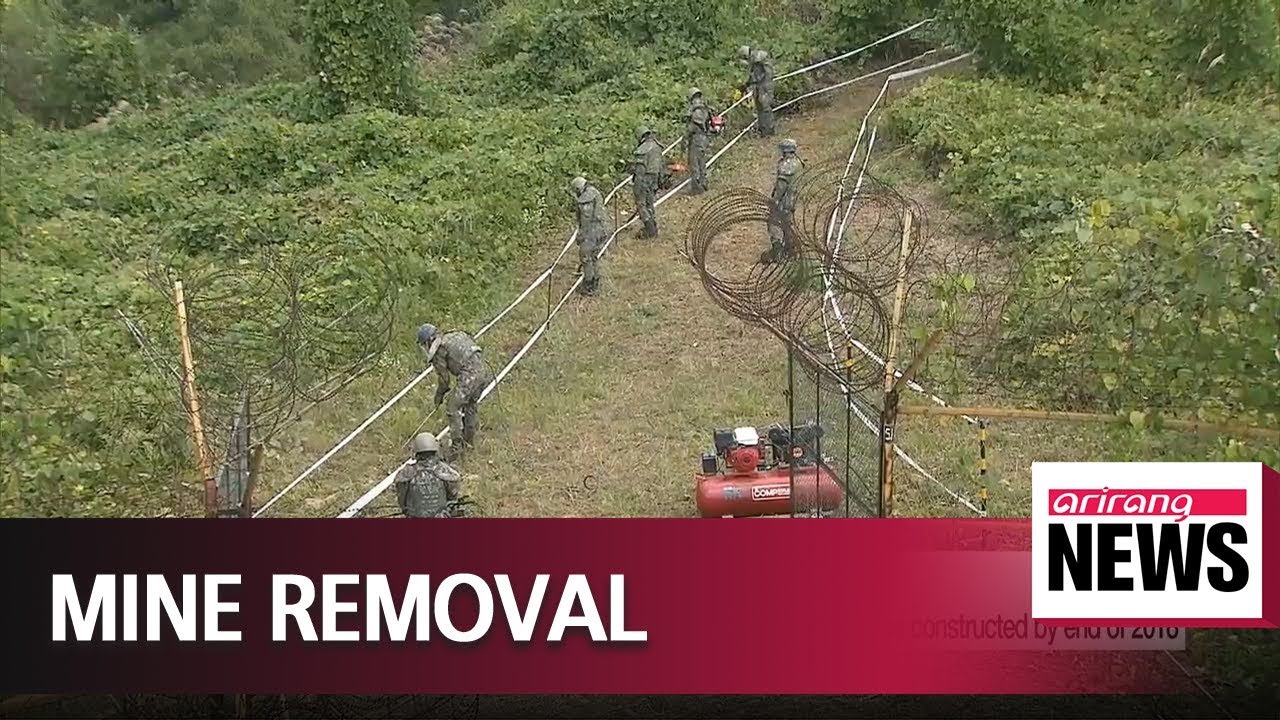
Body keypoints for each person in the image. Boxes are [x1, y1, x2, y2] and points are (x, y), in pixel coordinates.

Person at [416, 323, 493, 461]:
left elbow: (444, 379)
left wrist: (439, 396)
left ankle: (456, 448)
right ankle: (468, 443)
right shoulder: (453, 335)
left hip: (469, 374)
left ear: (428, 341)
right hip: (482, 370)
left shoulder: (438, 349)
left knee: (452, 406)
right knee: (470, 406)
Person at [394, 433, 463, 518]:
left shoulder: (407, 473)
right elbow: (453, 497)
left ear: (416, 452)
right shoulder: (445, 471)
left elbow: (402, 500)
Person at [763, 138, 802, 263]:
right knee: (787, 223)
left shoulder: (786, 166)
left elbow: (781, 186)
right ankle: (791, 250)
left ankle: (778, 251)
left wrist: (774, 200)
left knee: (774, 223)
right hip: (792, 199)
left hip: (784, 200)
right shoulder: (797, 163)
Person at [570, 175, 609, 296]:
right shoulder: (595, 192)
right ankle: (595, 280)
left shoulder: (586, 199)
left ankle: (589, 284)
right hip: (600, 229)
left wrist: (581, 235)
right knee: (594, 256)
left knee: (586, 257)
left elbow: (586, 219)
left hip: (591, 232)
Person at [632, 127, 663, 238]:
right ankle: (653, 224)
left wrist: (636, 187)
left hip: (644, 178)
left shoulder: (643, 149)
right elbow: (660, 165)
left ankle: (649, 229)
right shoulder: (657, 146)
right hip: (654, 178)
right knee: (650, 202)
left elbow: (640, 170)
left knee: (641, 203)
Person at [683, 87, 715, 195]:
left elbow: (694, 126)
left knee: (694, 163)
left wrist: (686, 136)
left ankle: (696, 187)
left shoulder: (696, 110)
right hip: (703, 138)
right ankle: (704, 183)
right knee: (701, 161)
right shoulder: (704, 108)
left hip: (697, 139)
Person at [739, 45, 777, 137]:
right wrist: (747, 84)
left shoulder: (759, 59)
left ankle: (768, 130)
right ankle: (763, 128)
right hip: (760, 86)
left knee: (765, 108)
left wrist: (748, 84)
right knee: (760, 108)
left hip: (765, 86)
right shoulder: (757, 62)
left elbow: (758, 76)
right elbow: (754, 76)